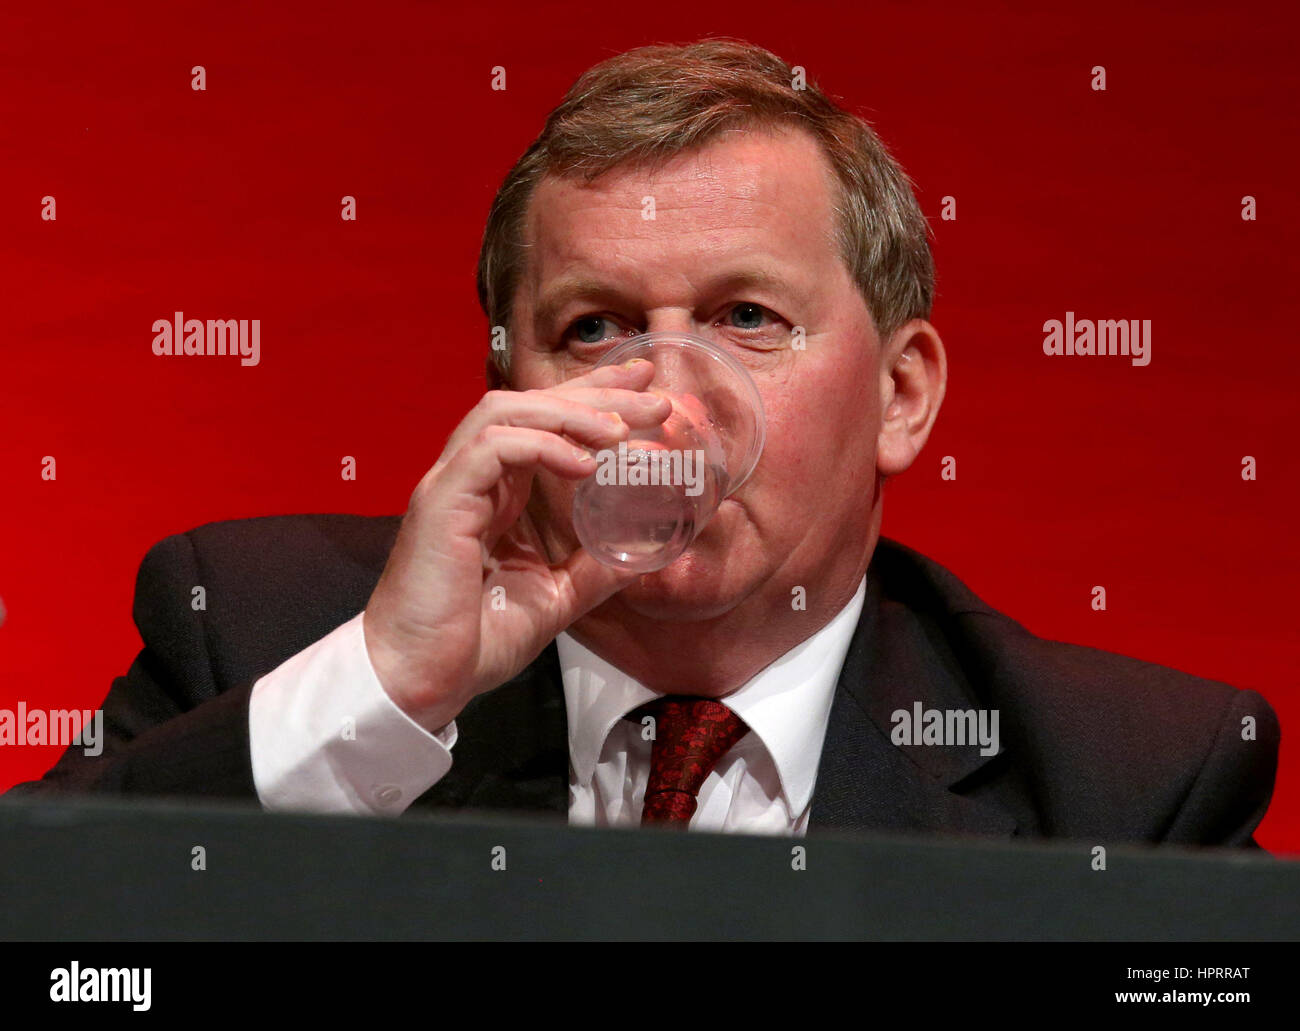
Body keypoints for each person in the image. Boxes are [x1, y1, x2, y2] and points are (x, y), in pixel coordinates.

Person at [9, 38, 1279, 845]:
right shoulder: (256, 630)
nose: (665, 404)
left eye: (745, 318)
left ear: (901, 394)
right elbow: (56, 961)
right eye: (594, 326)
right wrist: (387, 691)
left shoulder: (1124, 778)